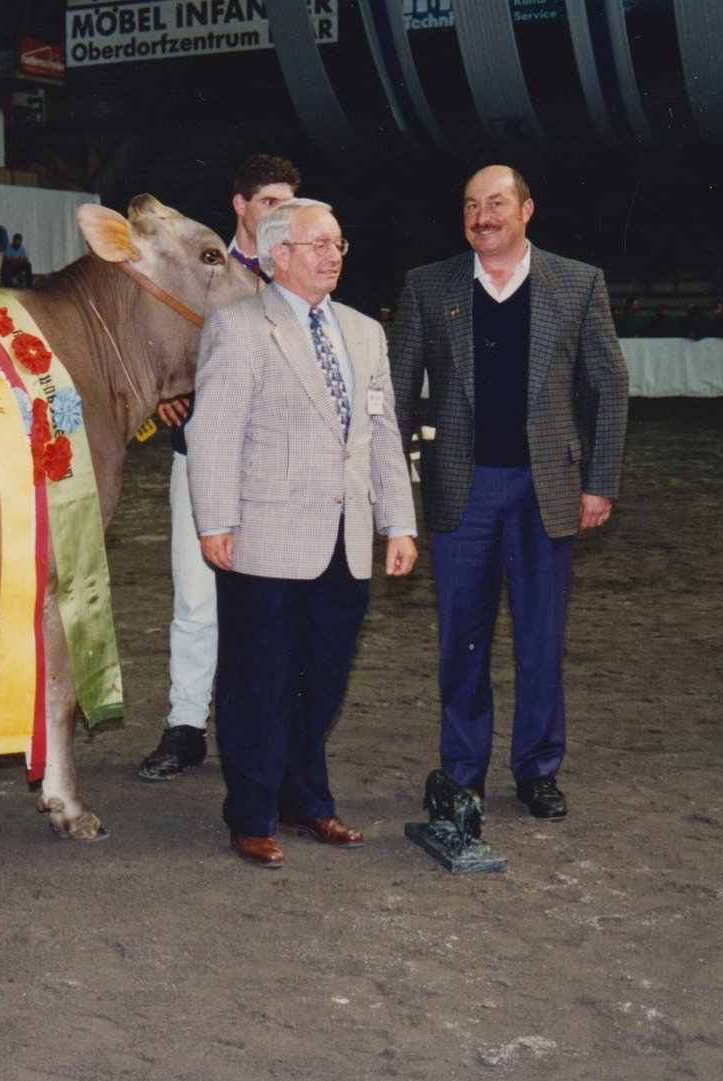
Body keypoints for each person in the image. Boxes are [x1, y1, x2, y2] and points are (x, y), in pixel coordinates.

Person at [389, 165, 628, 821]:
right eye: (470, 204)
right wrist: (392, 502)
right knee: (460, 639)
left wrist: (599, 482)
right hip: (459, 492)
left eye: (496, 202)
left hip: (545, 490)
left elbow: (608, 387)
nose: (482, 215)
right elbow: (397, 395)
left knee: (541, 641)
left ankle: (537, 769)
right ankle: (462, 771)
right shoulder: (427, 285)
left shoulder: (578, 284)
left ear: (526, 209)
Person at [186, 198, 418, 868]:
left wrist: (397, 522)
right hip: (262, 535)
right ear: (277, 253)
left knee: (323, 681)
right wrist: (215, 521)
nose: (333, 255)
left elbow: (380, 435)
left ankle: (305, 800)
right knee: (258, 680)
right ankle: (252, 811)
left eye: (339, 244)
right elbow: (214, 432)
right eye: (319, 244)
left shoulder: (364, 332)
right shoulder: (237, 327)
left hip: (345, 539)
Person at [138, 152, 300, 781]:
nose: (279, 215)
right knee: (195, 598)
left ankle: (265, 724)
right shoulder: (195, 269)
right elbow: (153, 340)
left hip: (280, 466)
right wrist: (164, 389)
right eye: (268, 203)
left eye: (289, 204)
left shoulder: (303, 270)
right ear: (239, 205)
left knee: (274, 599)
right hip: (200, 457)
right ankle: (185, 726)